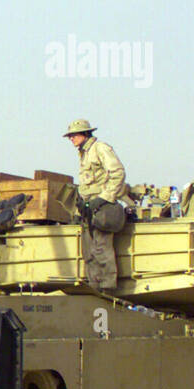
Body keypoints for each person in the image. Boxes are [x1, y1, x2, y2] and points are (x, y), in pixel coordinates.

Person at [65, 119, 127, 293]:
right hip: (89, 207)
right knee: (89, 251)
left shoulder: (100, 148)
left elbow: (117, 173)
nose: (71, 139)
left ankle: (107, 287)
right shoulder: (84, 152)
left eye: (74, 135)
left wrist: (103, 198)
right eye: (70, 136)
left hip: (101, 206)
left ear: (85, 134)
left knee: (101, 248)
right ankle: (95, 286)